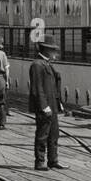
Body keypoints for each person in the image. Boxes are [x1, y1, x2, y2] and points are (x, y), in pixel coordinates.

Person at [29, 41, 64, 170]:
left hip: (52, 104)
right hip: (45, 106)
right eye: (54, 50)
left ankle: (53, 160)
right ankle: (39, 161)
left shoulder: (47, 64)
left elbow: (53, 86)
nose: (56, 53)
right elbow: (37, 88)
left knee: (54, 133)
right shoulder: (37, 65)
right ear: (46, 50)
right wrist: (44, 106)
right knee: (43, 134)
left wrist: (58, 103)